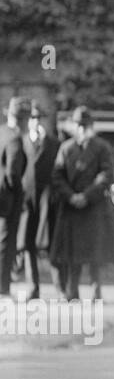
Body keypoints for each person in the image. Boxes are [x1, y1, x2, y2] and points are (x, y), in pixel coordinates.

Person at [51, 106, 114, 301]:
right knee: (72, 254)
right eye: (79, 125)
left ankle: (96, 291)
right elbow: (57, 176)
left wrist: (87, 195)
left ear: (91, 126)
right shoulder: (66, 148)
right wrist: (71, 196)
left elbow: (106, 174)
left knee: (95, 253)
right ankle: (72, 292)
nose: (82, 129)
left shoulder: (102, 148)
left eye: (85, 125)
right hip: (72, 207)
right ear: (74, 127)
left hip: (94, 207)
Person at [17, 102, 59, 299]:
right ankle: (33, 287)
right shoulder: (22, 141)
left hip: (47, 201)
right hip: (27, 201)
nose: (36, 122)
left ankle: (60, 288)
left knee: (50, 244)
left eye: (39, 118)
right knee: (28, 244)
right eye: (33, 118)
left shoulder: (53, 143)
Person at [0, 97, 31, 301]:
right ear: (22, 119)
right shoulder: (14, 138)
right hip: (7, 199)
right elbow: (13, 173)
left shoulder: (1, 132)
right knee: (6, 243)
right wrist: (21, 193)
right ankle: (2, 288)